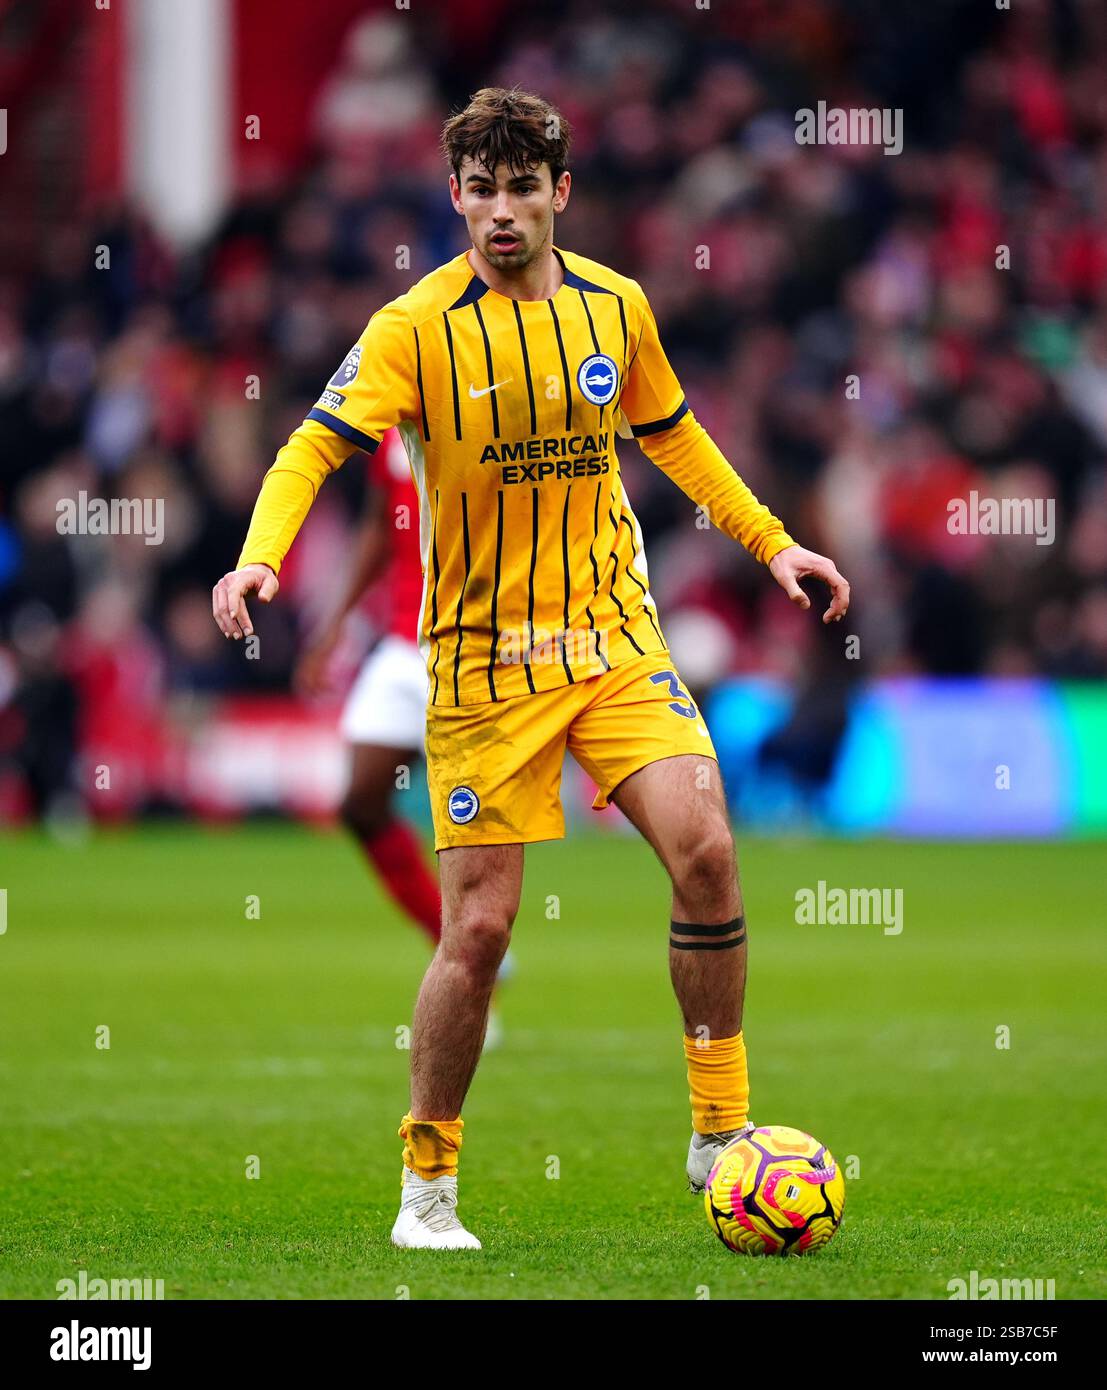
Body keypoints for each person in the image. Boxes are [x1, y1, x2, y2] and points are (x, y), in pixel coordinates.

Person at [212, 87, 850, 1250]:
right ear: (455, 196)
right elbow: (315, 446)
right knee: (485, 930)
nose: (502, 212)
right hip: (479, 661)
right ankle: (428, 1187)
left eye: (523, 187)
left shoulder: (617, 308)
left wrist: (775, 543)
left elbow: (677, 436)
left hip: (611, 638)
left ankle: (720, 1134)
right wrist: (259, 561)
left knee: (707, 848)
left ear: (561, 191)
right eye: (481, 190)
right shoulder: (414, 325)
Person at [295, 429, 509, 1047]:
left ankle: (476, 979)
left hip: (476, 645)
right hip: (401, 644)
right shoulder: (389, 425)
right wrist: (334, 626)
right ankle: (447, 933)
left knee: (472, 825)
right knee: (361, 803)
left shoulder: (487, 406)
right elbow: (375, 530)